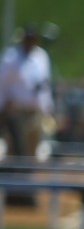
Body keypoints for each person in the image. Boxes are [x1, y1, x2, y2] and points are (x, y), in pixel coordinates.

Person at [0, 25, 54, 161]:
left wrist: (48, 107)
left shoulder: (41, 56)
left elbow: (44, 83)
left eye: (33, 39)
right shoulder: (11, 57)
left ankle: (27, 177)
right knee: (15, 144)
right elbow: (3, 82)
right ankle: (13, 177)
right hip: (16, 109)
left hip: (34, 109)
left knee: (32, 145)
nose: (30, 42)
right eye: (28, 38)